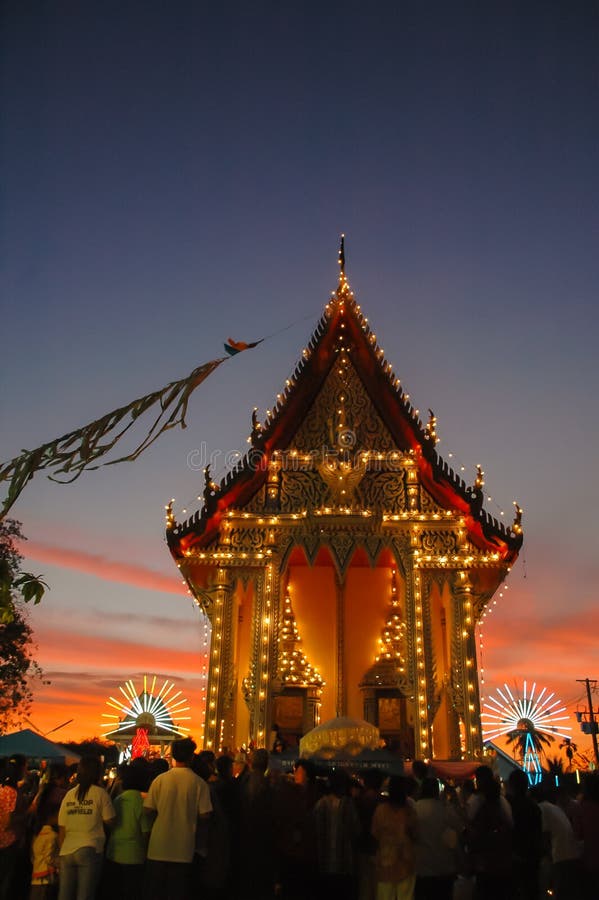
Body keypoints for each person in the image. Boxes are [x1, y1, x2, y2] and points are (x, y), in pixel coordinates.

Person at [143, 737, 212, 900]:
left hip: (158, 846)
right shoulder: (199, 783)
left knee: (154, 892)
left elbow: (148, 809)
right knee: (177, 892)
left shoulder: (160, 780)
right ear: (191, 757)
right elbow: (205, 815)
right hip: (184, 847)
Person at [57, 755, 116, 900]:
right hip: (90, 848)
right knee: (85, 895)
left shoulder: (69, 795)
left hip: (67, 850)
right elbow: (111, 820)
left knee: (64, 894)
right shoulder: (100, 793)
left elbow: (62, 827)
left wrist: (60, 851)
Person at [101, 763, 150, 900]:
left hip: (114, 852)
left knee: (116, 891)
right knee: (132, 892)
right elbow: (146, 831)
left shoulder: (117, 800)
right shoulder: (142, 802)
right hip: (135, 855)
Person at [371, 775, 418, 900]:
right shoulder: (409, 811)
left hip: (385, 861)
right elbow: (416, 835)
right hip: (406, 862)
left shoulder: (380, 811)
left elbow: (375, 834)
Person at [414, 777, 462, 900]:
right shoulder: (445, 809)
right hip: (444, 867)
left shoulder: (414, 809)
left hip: (422, 868)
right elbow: (458, 828)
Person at [0, 754, 30, 900]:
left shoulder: (2, 788)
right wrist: (27, 813)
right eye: (26, 767)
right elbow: (7, 821)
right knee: (6, 880)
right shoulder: (11, 792)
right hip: (7, 842)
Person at [29, 802, 59, 900]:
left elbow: (33, 856)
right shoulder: (52, 836)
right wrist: (60, 864)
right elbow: (49, 857)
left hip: (36, 874)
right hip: (46, 877)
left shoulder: (38, 835)